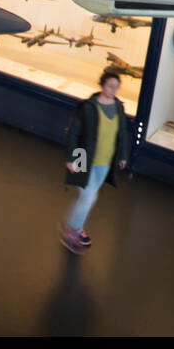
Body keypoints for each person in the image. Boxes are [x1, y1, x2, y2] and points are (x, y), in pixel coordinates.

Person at [61, 69, 133, 254]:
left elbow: (122, 132)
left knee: (88, 197)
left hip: (104, 161)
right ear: (102, 85)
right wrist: (72, 159)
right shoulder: (88, 107)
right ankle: (72, 230)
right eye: (110, 86)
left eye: (116, 87)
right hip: (84, 158)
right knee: (89, 196)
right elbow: (75, 133)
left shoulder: (118, 107)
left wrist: (123, 155)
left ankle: (75, 226)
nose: (114, 90)